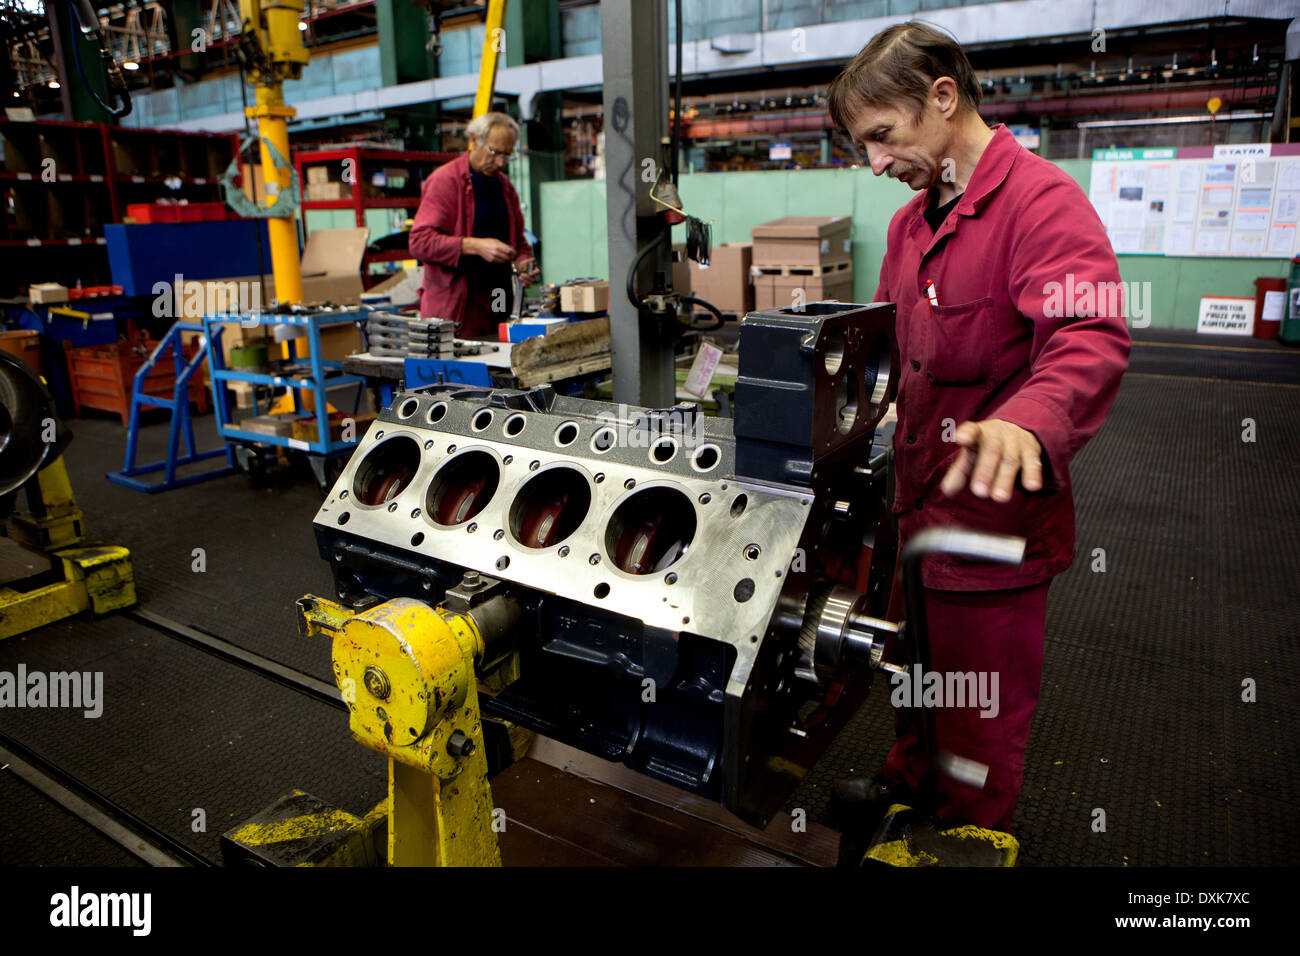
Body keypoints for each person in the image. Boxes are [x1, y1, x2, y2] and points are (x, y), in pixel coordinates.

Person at [826, 21, 1130, 832]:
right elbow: (893, 347)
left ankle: (966, 833)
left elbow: (1088, 334)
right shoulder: (910, 226)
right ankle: (912, 779)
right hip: (918, 507)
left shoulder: (1041, 204)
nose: (876, 164)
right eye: (863, 146)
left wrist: (1029, 423)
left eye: (883, 137)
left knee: (979, 712)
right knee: (919, 670)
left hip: (993, 527)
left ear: (943, 96)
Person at [408, 111, 540, 339]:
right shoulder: (446, 182)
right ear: (473, 140)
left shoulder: (504, 187)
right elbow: (419, 241)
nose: (500, 162)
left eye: (507, 155)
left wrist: (524, 264)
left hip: (499, 298)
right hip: (459, 306)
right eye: (494, 152)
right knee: (463, 371)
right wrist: (475, 246)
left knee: (499, 359)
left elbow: (518, 241)